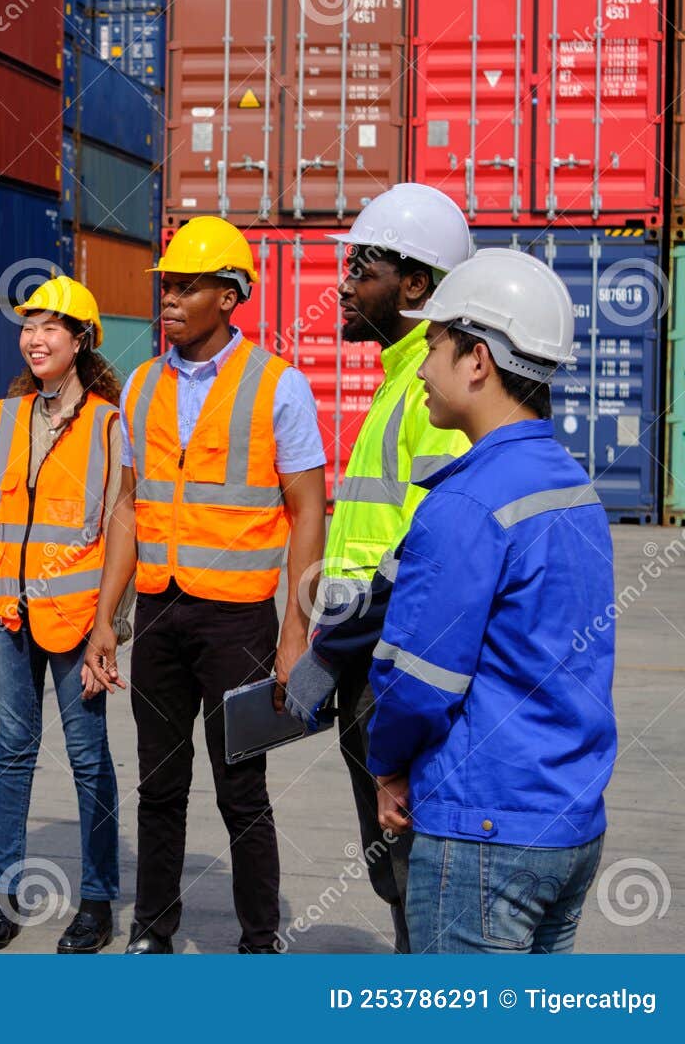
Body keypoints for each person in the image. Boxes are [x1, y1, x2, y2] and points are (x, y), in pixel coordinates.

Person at [365, 248, 617, 954]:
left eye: (435, 346)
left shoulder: (465, 503)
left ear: (478, 360)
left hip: (485, 828)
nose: (420, 367)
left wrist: (386, 762)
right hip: (569, 819)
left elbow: (420, 681)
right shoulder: (572, 484)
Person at [108, 217, 327, 954]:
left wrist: (297, 632)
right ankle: (151, 930)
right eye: (167, 284)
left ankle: (260, 936)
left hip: (239, 622)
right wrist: (110, 615)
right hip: (161, 617)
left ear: (230, 296)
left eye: (187, 285)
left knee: (242, 789)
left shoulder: (277, 385)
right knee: (159, 785)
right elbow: (128, 509)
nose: (169, 298)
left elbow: (307, 512)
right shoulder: (139, 386)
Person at [281, 183, 473, 952]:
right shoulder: (401, 385)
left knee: (417, 879)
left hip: (395, 675)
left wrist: (332, 646)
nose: (344, 282)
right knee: (397, 877)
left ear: (416, 283)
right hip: (370, 665)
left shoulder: (428, 399)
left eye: (363, 267)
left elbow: (428, 562)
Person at [0, 275, 136, 954]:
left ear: (79, 340)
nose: (35, 338)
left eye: (50, 327)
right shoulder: (8, 415)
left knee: (89, 759)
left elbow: (124, 525)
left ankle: (96, 900)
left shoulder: (106, 423)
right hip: (10, 614)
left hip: (75, 621)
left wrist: (109, 629)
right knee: (12, 752)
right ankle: (5, 892)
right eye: (29, 326)